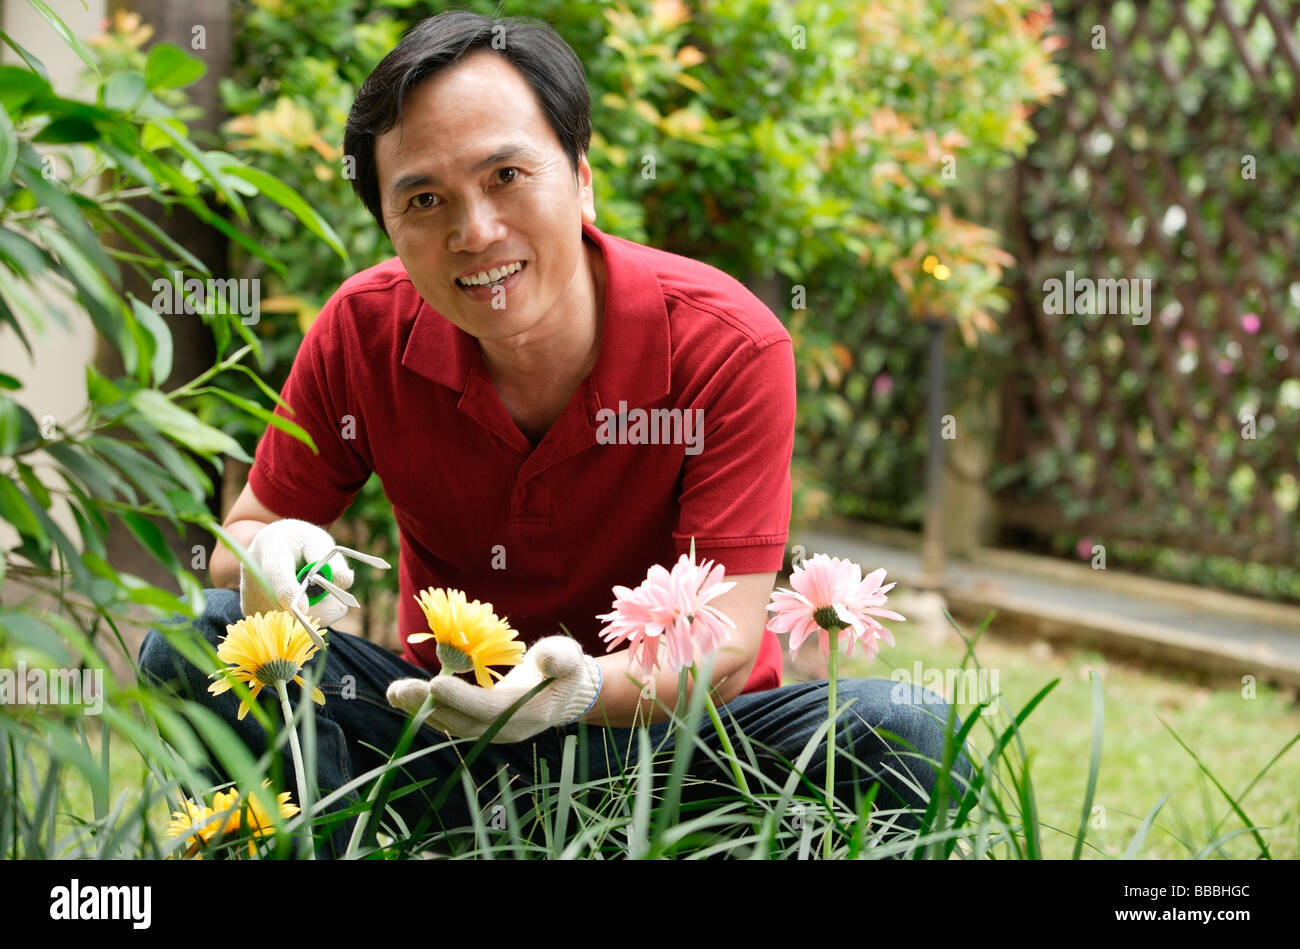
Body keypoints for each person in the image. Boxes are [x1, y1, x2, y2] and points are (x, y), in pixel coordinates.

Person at [139, 9, 973, 858]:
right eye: (425, 199)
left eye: (506, 174)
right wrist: (274, 556)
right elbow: (240, 535)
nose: (475, 232)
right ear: (389, 225)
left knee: (906, 727)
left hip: (685, 761)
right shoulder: (363, 329)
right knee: (198, 638)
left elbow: (722, 643)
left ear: (581, 179)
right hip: (448, 741)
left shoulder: (730, 343)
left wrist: (567, 695)